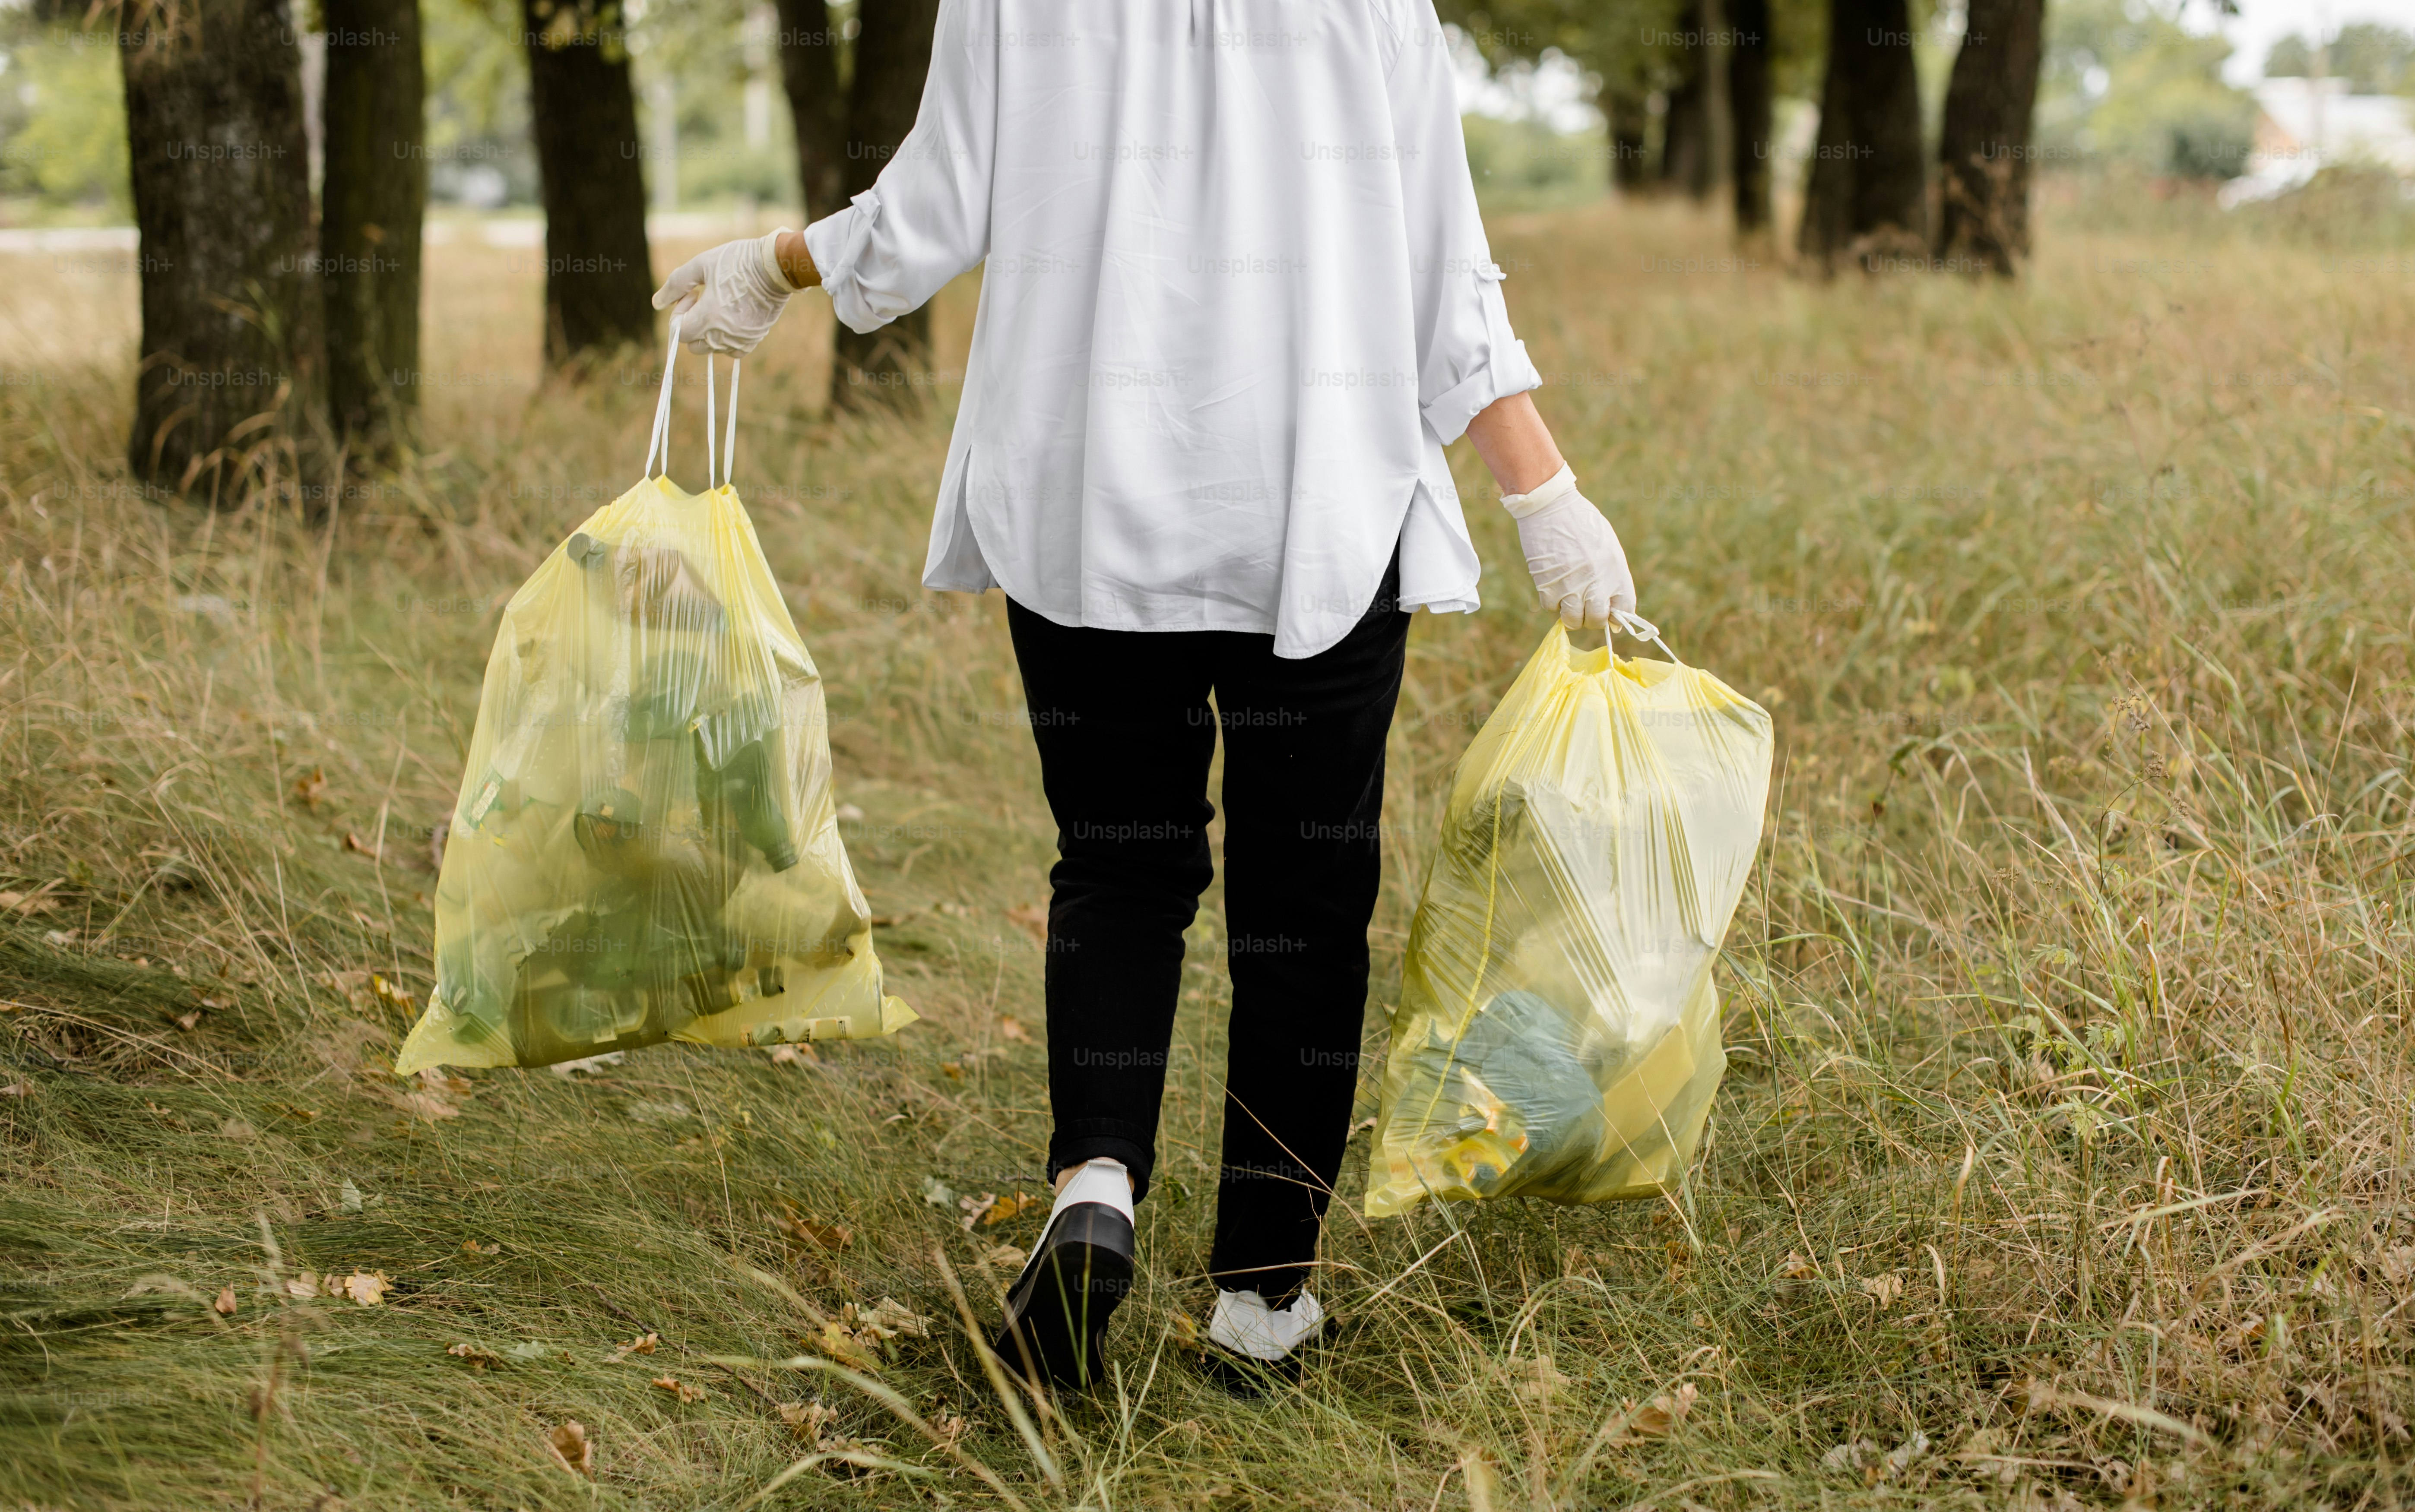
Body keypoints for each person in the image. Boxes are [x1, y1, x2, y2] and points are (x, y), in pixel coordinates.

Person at [651, 0, 1634, 1395]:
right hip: (1316, 510)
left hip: (1086, 506)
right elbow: (1445, 278)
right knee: (1305, 911)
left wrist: (775, 264)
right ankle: (1263, 1306)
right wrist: (1546, 495)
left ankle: (1094, 1187)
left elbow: (930, 210)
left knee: (1117, 872)